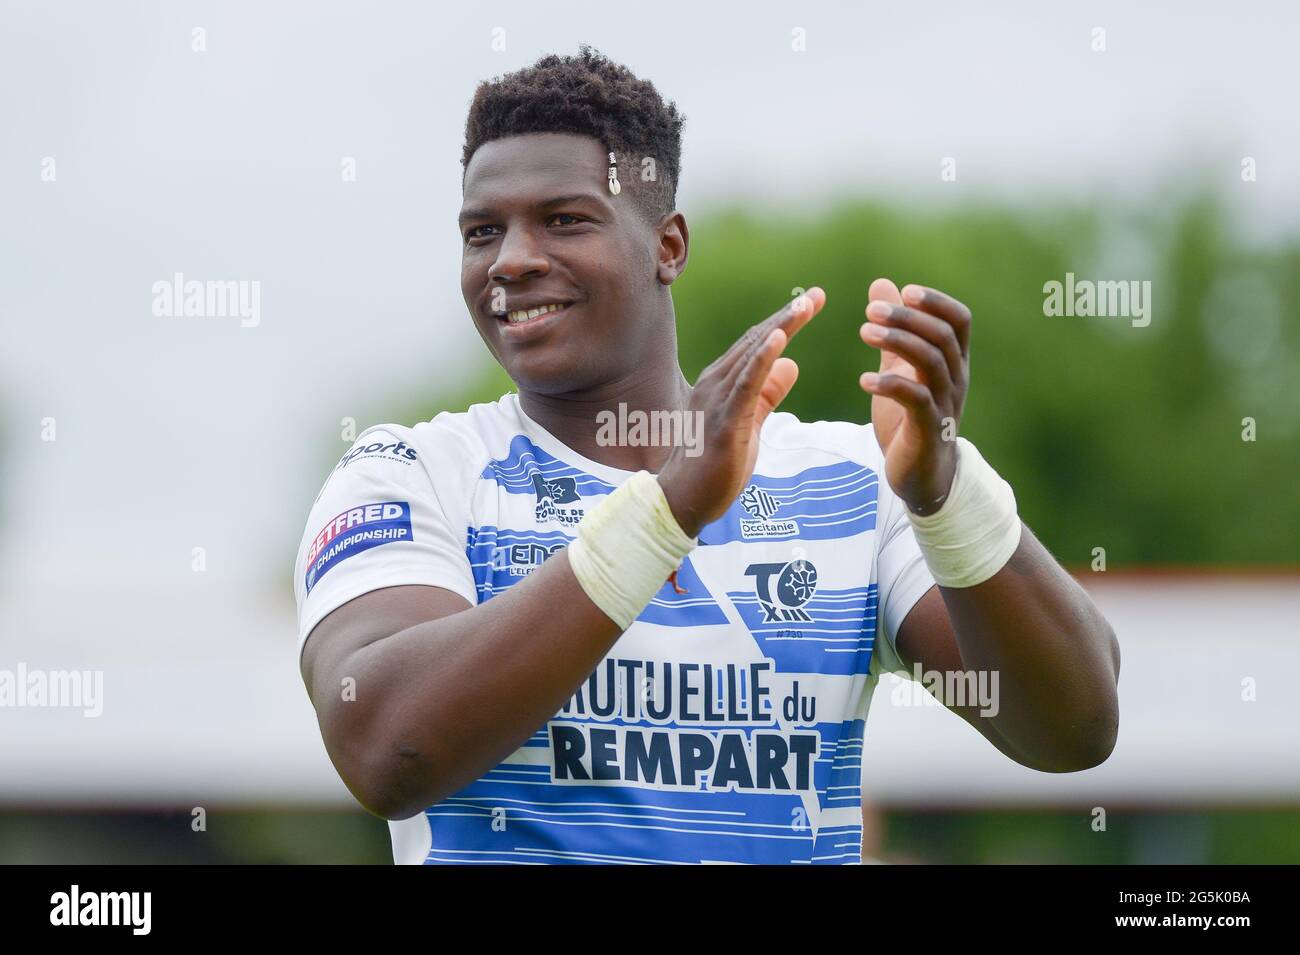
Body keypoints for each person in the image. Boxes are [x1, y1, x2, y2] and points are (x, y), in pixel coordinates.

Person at [293, 46, 1120, 865]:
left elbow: (1074, 726)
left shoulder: (849, 481)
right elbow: (383, 747)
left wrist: (945, 496)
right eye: (483, 232)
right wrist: (666, 511)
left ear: (669, 245)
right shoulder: (410, 471)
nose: (511, 259)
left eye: (564, 219)